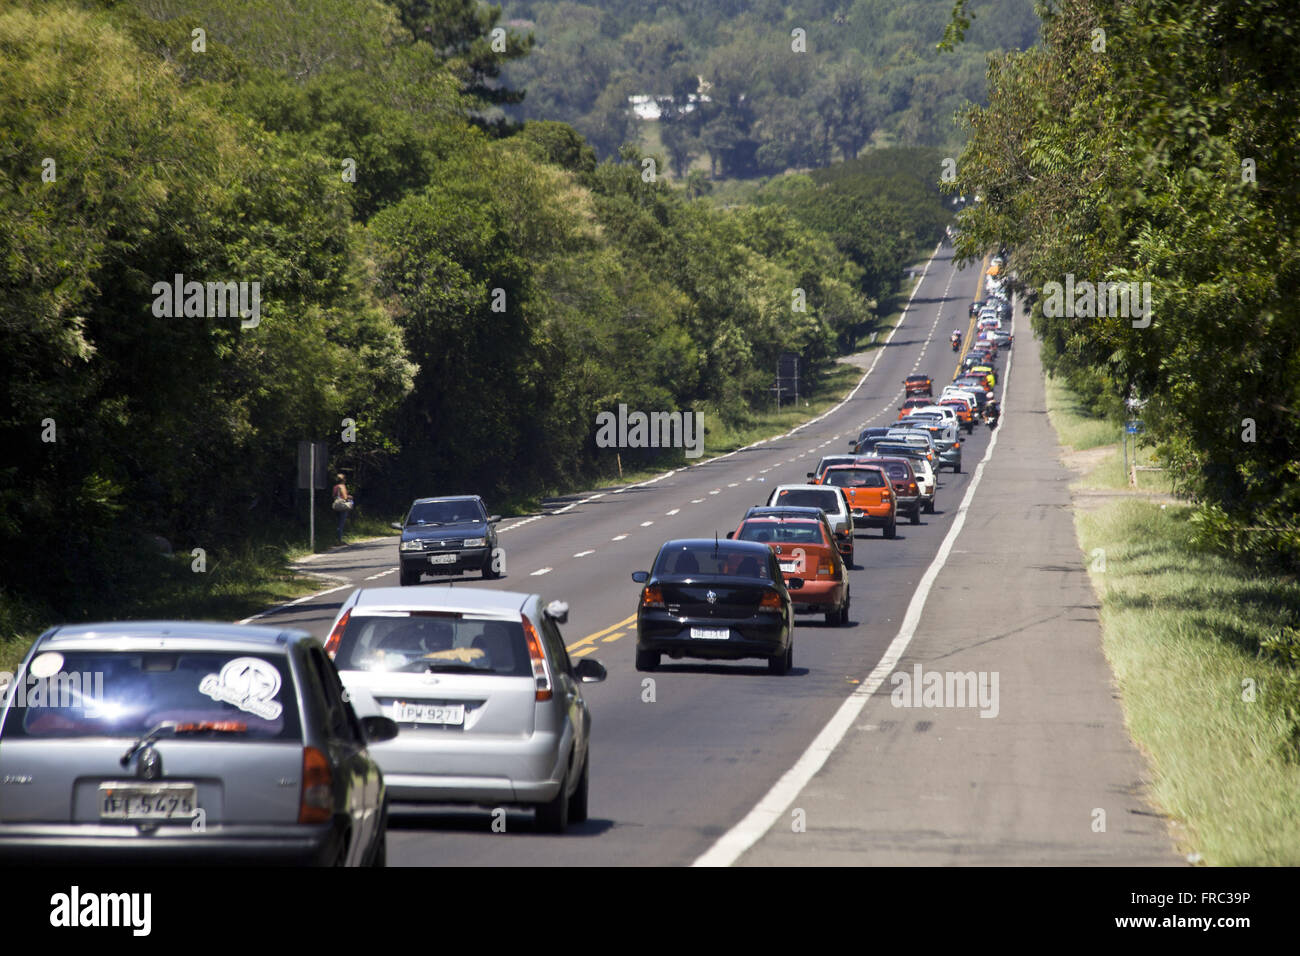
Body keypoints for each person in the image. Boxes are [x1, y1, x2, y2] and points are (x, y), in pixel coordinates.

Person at [331, 473, 353, 544]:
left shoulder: (335, 486)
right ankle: (339, 540)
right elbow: (345, 497)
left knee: (337, 523)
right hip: (342, 506)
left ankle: (335, 539)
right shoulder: (342, 486)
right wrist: (350, 497)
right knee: (341, 523)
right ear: (343, 479)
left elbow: (333, 496)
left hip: (336, 506)